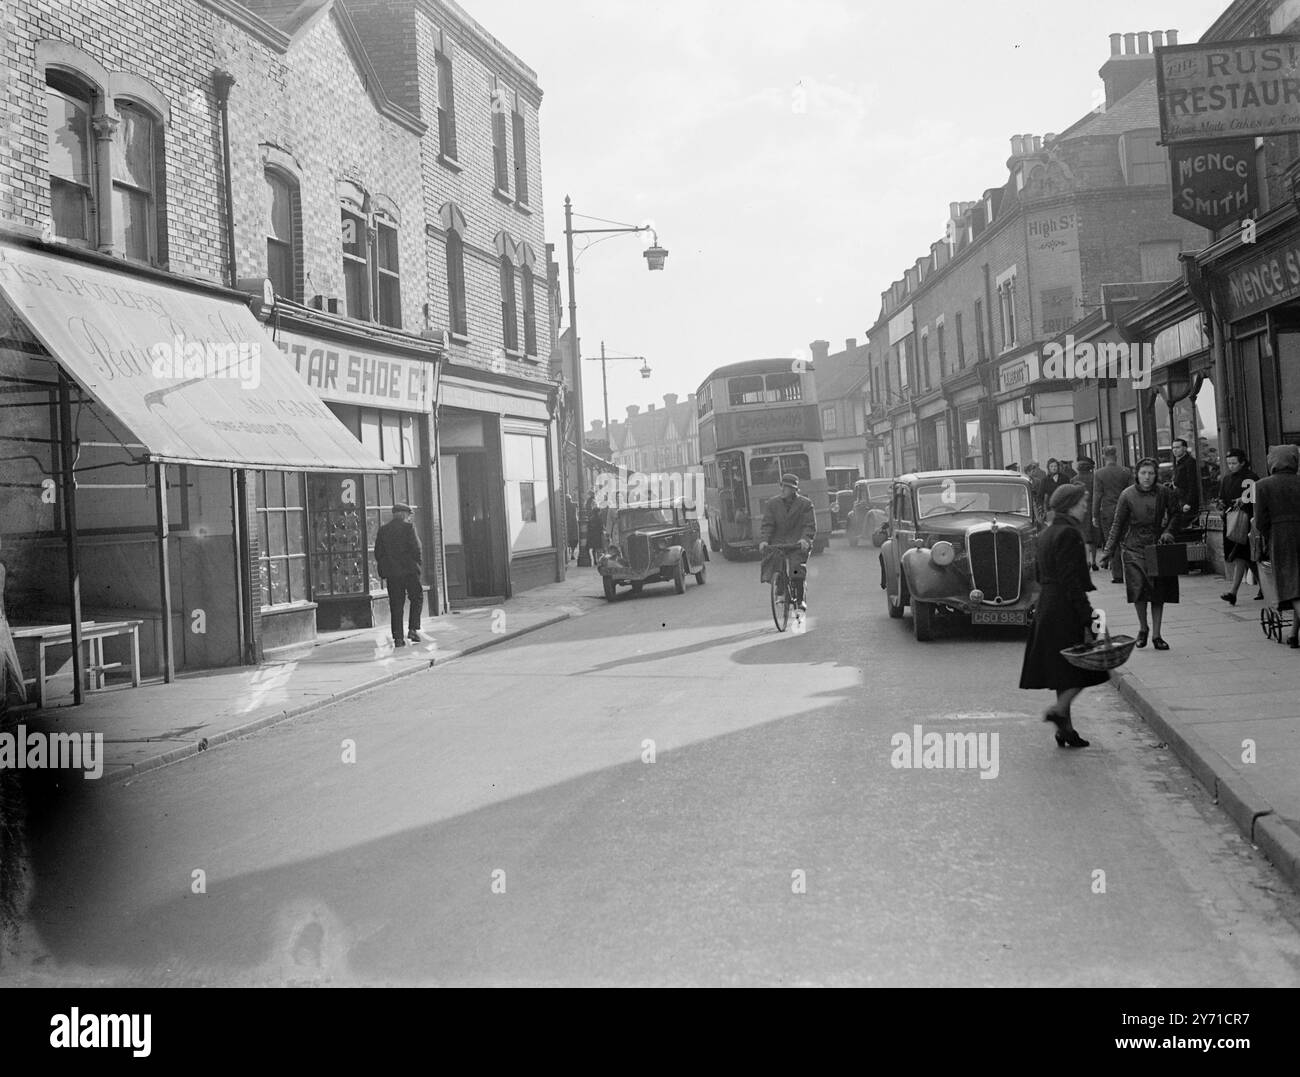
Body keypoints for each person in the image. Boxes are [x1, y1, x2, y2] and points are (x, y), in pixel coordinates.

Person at [1019, 484, 1103, 748]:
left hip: (1048, 604)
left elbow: (1037, 574)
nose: (1085, 507)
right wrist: (1088, 617)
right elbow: (1071, 582)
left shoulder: (1046, 533)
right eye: (1081, 503)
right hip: (1064, 608)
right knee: (1089, 668)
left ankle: (1066, 730)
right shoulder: (1069, 534)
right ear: (1068, 505)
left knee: (1063, 672)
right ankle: (1059, 708)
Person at [1101, 457, 1178, 650]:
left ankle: (1157, 635)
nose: (1147, 477)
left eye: (1151, 473)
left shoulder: (1164, 492)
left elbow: (1176, 513)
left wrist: (1169, 531)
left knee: (1159, 593)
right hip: (1133, 547)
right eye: (1143, 473)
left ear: (1156, 475)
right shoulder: (1127, 495)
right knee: (1139, 592)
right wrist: (1108, 551)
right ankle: (1143, 628)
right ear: (1137, 474)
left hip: (1157, 545)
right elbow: (1117, 524)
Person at [1254, 444, 1300, 648]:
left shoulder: (1263, 485)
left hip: (1281, 537)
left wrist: (1267, 536)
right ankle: (1293, 633)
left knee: (1292, 584)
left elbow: (1260, 520)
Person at [758, 473, 816, 610]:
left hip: (797, 544)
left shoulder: (805, 504)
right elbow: (767, 524)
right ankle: (780, 590)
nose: (783, 490)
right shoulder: (772, 504)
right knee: (776, 564)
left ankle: (800, 599)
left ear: (794, 490)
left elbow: (809, 525)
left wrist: (805, 539)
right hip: (778, 543)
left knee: (796, 569)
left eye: (787, 487)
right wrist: (764, 540)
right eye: (782, 486)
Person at [373, 503, 423, 647]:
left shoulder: (383, 530)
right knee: (417, 597)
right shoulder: (409, 528)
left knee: (396, 605)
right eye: (408, 515)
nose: (408, 518)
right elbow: (416, 548)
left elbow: (378, 553)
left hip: (392, 574)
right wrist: (417, 565)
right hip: (409, 572)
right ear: (403, 514)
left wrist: (386, 567)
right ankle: (413, 629)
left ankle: (398, 638)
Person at [1215, 448, 1260, 606]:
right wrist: (1221, 504)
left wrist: (1243, 501)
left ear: (1242, 462)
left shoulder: (1251, 478)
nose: (1231, 466)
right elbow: (1222, 497)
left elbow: (1256, 499)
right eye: (1228, 463)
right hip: (1232, 521)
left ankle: (1233, 592)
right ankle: (1264, 586)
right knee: (1248, 557)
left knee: (1242, 555)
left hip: (1247, 522)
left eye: (1234, 463)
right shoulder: (1226, 479)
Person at [1092, 446, 1132, 584]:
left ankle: (1118, 574)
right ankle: (1131, 570)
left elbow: (1097, 495)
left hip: (1108, 511)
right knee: (1127, 540)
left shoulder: (1099, 473)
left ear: (1104, 456)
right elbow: (1132, 491)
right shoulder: (1126, 471)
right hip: (1126, 510)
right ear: (1117, 455)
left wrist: (1094, 514)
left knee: (1112, 541)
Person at [1169, 437, 1201, 533]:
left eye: (1178, 447)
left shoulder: (1189, 462)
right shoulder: (1179, 462)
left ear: (1185, 448)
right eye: (1173, 447)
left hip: (1187, 502)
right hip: (1180, 500)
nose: (1175, 450)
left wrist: (1189, 503)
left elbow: (1192, 484)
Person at [1074, 457, 1100, 568]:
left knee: (1084, 537)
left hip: (1080, 509)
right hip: (1093, 508)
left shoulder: (1074, 480)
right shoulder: (1094, 478)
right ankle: (1094, 561)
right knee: (1093, 537)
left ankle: (1087, 561)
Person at [585, 492, 604, 561]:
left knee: (593, 549)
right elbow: (601, 527)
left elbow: (589, 527)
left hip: (592, 535)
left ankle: (595, 560)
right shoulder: (599, 519)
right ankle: (598, 560)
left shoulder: (591, 518)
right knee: (598, 548)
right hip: (598, 535)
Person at [565, 494, 580, 563]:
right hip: (573, 524)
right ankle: (572, 554)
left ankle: (570, 554)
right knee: (573, 540)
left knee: (570, 539)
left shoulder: (565, 506)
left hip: (568, 524)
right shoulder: (574, 504)